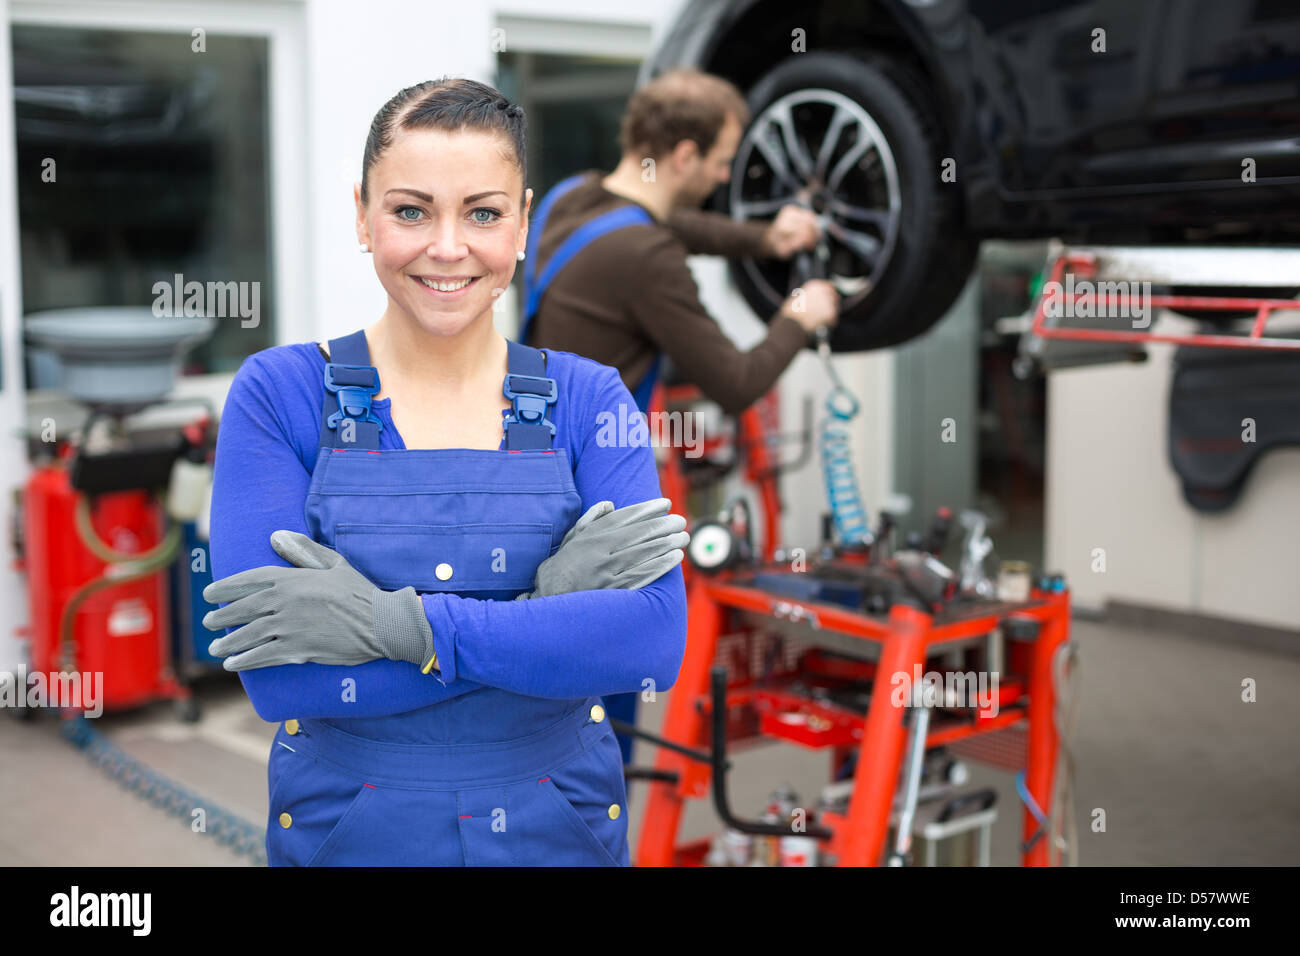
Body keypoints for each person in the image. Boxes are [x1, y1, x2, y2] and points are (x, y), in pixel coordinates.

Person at [202, 78, 689, 867]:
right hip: (350, 835)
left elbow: (648, 645)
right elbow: (283, 680)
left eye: (484, 213)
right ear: (361, 213)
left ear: (523, 222)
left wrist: (401, 629)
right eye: (411, 209)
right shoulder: (278, 394)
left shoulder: (588, 398)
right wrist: (545, 614)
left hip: (559, 830)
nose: (449, 246)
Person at [521, 68, 840, 762]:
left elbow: (669, 222)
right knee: (601, 720)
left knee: (547, 694)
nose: (727, 174)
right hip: (595, 509)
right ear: (686, 157)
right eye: (724, 160)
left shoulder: (572, 197)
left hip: (529, 477)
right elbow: (735, 380)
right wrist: (798, 316)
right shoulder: (649, 258)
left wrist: (763, 239)